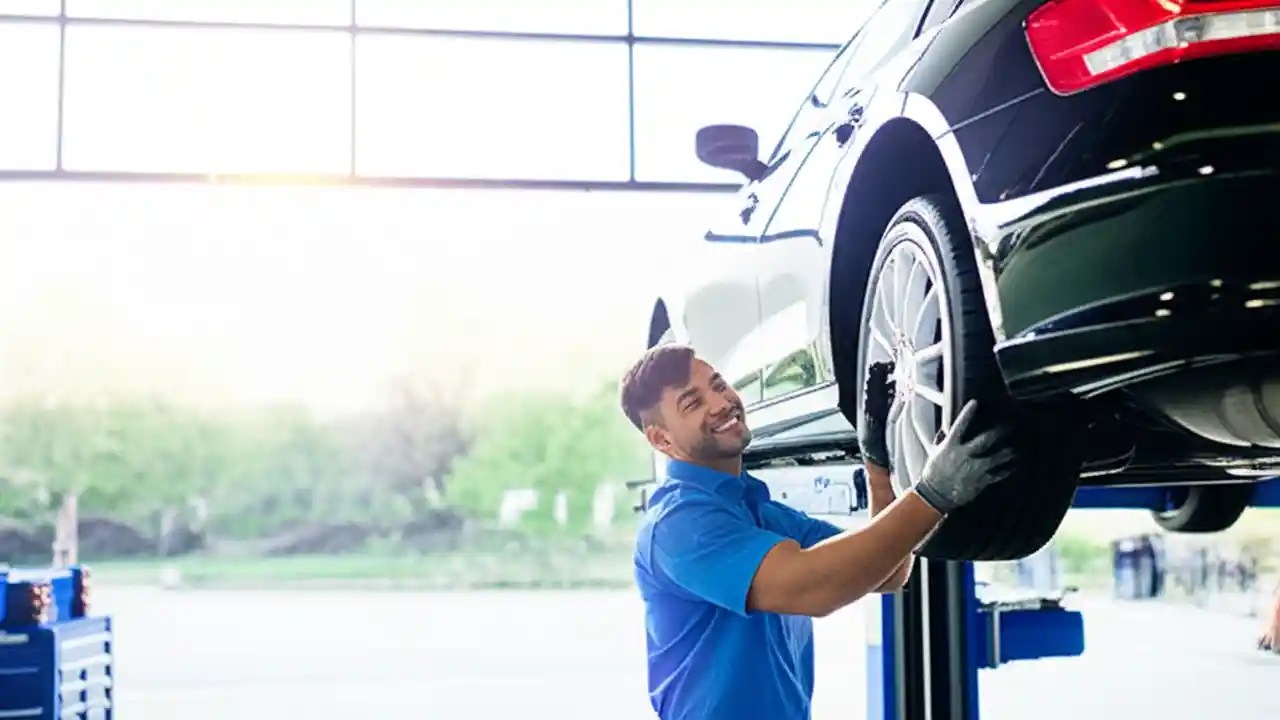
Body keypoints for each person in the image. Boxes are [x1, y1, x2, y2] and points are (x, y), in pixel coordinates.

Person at [619, 343, 1018, 720]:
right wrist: (931, 495)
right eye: (693, 402)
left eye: (719, 384)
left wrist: (879, 468)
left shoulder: (759, 511)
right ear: (661, 439)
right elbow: (814, 589)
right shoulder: (677, 524)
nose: (722, 402)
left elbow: (888, 572)